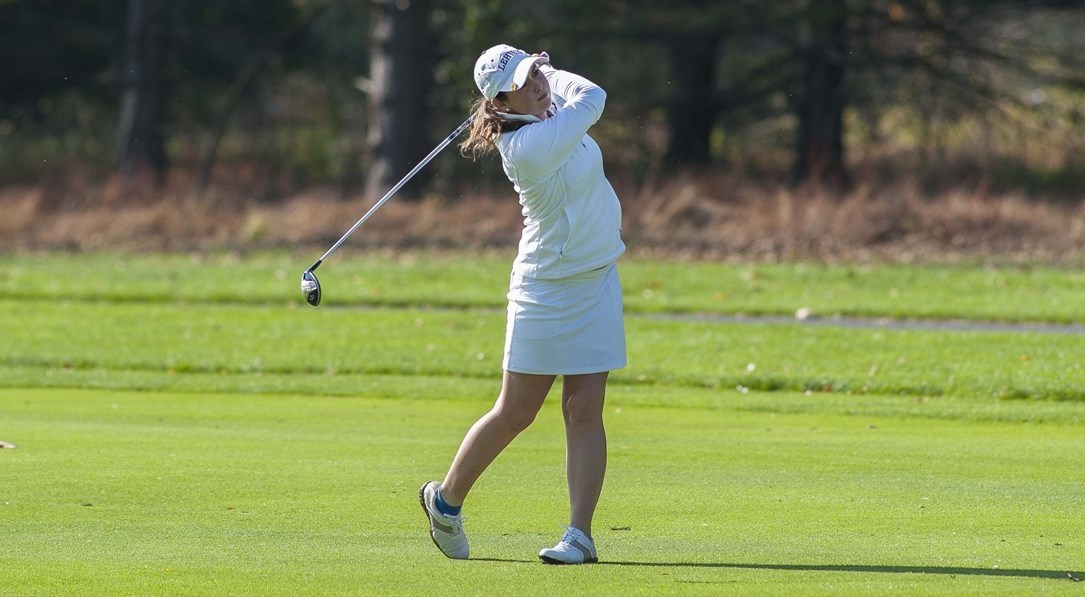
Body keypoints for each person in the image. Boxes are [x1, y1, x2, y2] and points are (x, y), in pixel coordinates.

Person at [419, 43, 626, 565]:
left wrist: (540, 76)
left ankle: (579, 534)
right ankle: (446, 503)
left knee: (585, 409)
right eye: (524, 78)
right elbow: (595, 95)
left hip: (597, 279)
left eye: (534, 72)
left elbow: (576, 101)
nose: (536, 81)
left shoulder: (547, 113)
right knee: (516, 411)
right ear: (501, 101)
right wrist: (553, 69)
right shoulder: (529, 145)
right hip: (545, 288)